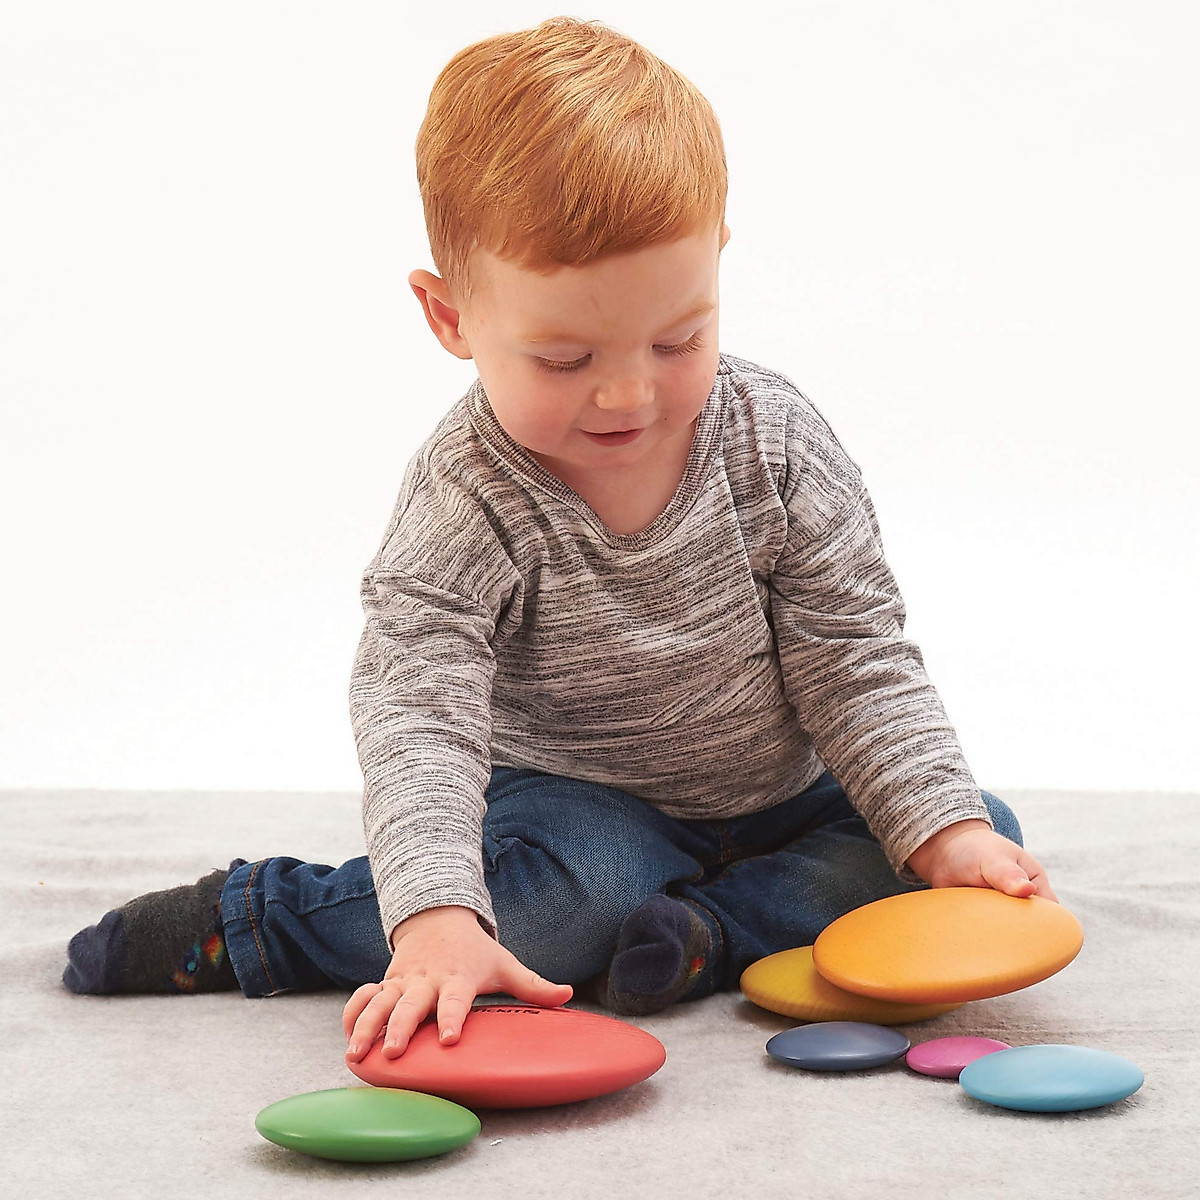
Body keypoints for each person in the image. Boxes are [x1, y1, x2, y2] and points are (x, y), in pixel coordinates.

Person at [63, 17, 1057, 1066]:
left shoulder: (775, 442)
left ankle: (705, 933)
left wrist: (943, 832)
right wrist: (437, 916)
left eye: (678, 339)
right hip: (581, 813)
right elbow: (419, 711)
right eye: (566, 358)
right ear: (451, 318)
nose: (629, 393)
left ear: (717, 263)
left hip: (786, 797)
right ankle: (264, 918)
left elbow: (855, 657)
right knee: (549, 912)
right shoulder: (470, 492)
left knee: (970, 828)